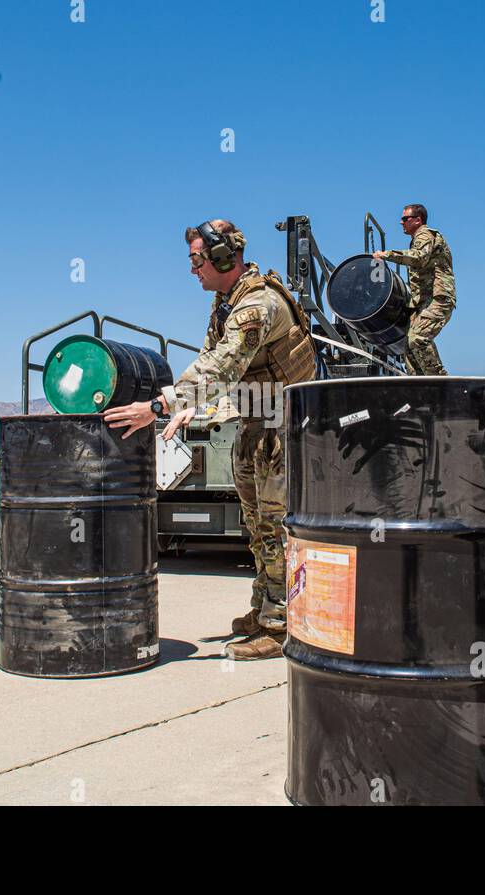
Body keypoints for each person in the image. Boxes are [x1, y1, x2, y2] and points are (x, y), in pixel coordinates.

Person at [104, 220, 315, 660]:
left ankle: (280, 628)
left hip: (280, 424)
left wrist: (159, 405)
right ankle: (265, 608)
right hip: (254, 422)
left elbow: (222, 364)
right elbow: (209, 357)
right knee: (257, 528)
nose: (193, 270)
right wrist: (188, 405)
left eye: (197, 260)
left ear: (223, 258)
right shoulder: (226, 302)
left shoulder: (256, 306)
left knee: (276, 527)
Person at [372, 203, 456, 375]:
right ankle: (419, 383)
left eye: (405, 219)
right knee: (409, 349)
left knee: (418, 339)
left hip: (437, 298)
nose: (401, 222)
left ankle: (439, 381)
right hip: (423, 301)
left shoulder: (425, 234)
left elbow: (419, 258)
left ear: (418, 220)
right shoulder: (417, 238)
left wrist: (386, 255)